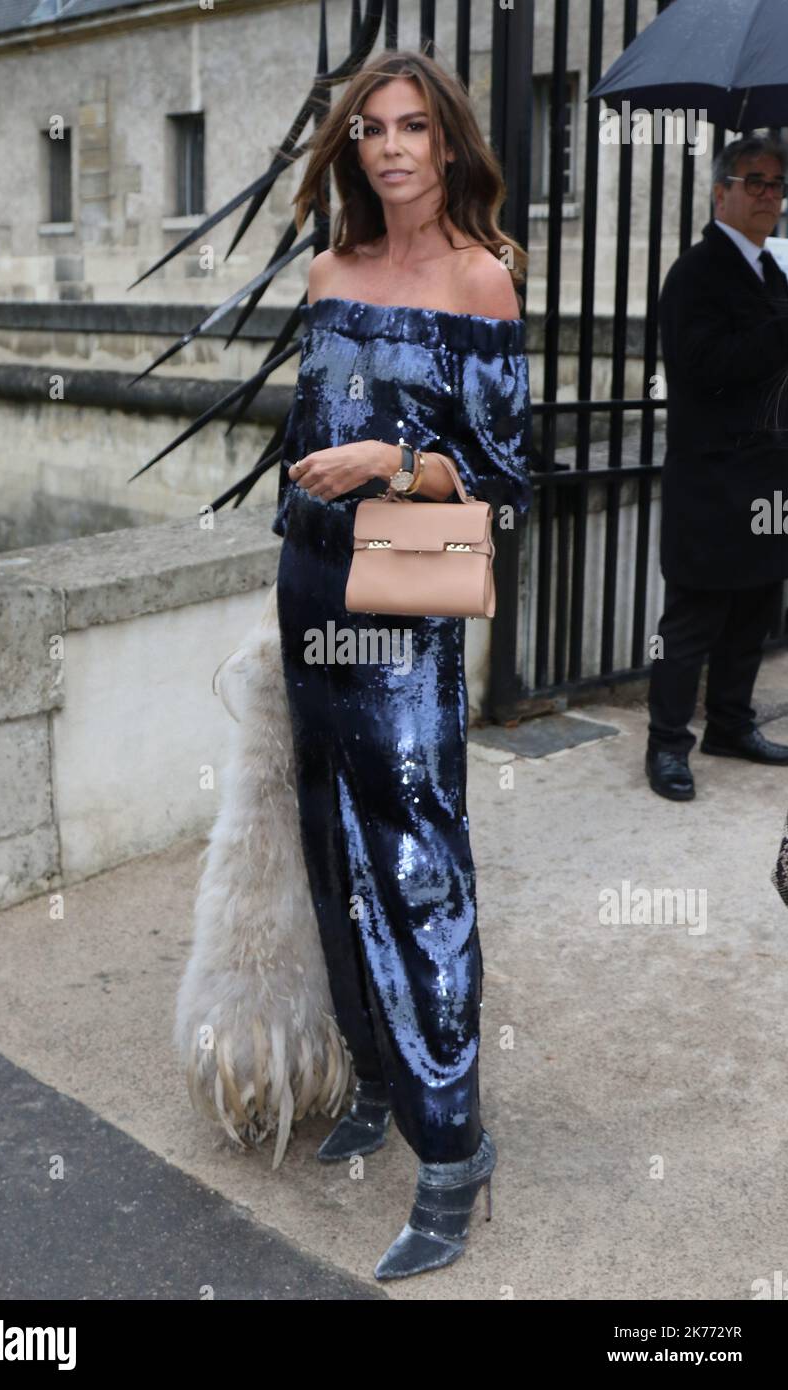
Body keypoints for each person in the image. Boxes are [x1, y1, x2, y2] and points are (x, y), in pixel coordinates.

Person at [270, 49, 532, 1280]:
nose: (388, 148)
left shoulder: (484, 284)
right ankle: (373, 1076)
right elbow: (304, 429)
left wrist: (396, 460)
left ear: (447, 142)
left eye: (412, 127)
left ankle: (451, 1150)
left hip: (404, 584)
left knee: (418, 857)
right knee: (330, 839)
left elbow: (510, 485)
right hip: (311, 580)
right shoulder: (328, 270)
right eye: (369, 128)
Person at [646, 134, 788, 800]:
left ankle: (730, 724)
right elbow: (705, 372)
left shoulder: (771, 273)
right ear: (721, 191)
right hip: (710, 480)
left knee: (754, 608)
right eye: (755, 181)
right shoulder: (696, 273)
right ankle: (666, 744)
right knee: (691, 620)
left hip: (767, 478)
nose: (769, 195)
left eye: (777, 184)